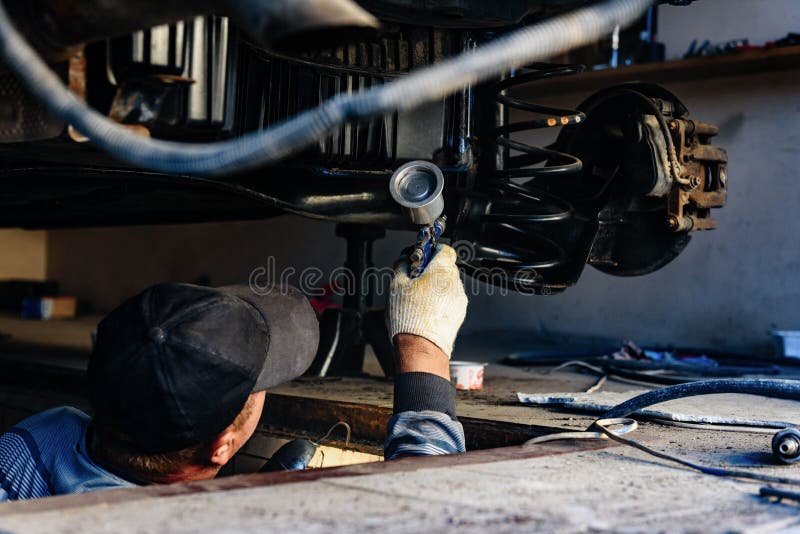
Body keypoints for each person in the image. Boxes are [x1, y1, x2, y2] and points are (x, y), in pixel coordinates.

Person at [0, 245, 468, 500]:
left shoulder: (37, 442)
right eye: (261, 379)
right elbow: (429, 515)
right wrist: (421, 345)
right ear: (221, 445)